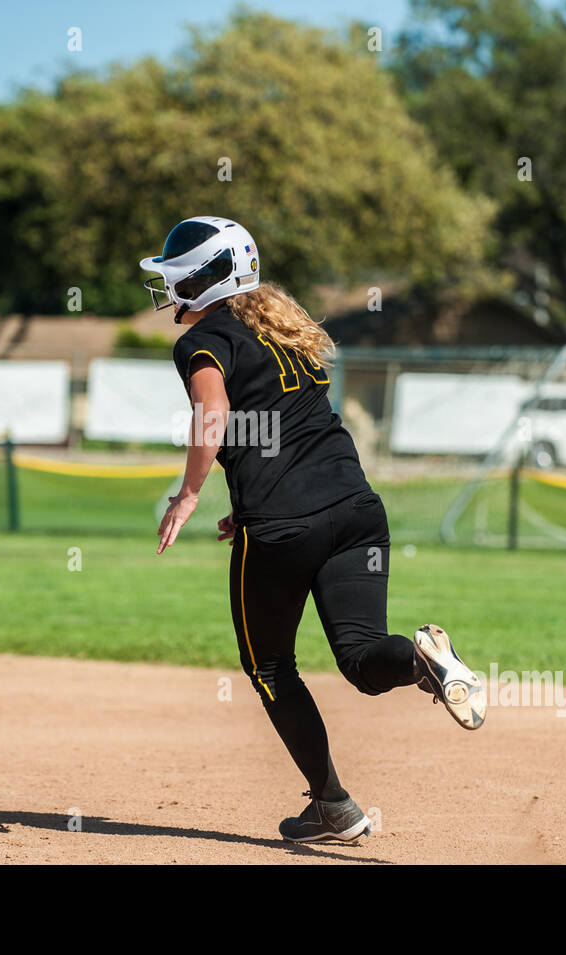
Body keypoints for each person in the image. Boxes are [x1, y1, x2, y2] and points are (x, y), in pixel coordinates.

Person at [143, 216, 486, 844]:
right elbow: (289, 430)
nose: (168, 286)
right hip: (355, 509)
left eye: (176, 274)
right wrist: (247, 496)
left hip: (282, 528)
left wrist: (189, 493)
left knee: (270, 666)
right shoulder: (284, 333)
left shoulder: (209, 337)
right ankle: (423, 658)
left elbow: (214, 412)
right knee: (359, 658)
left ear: (205, 277)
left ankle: (333, 805)